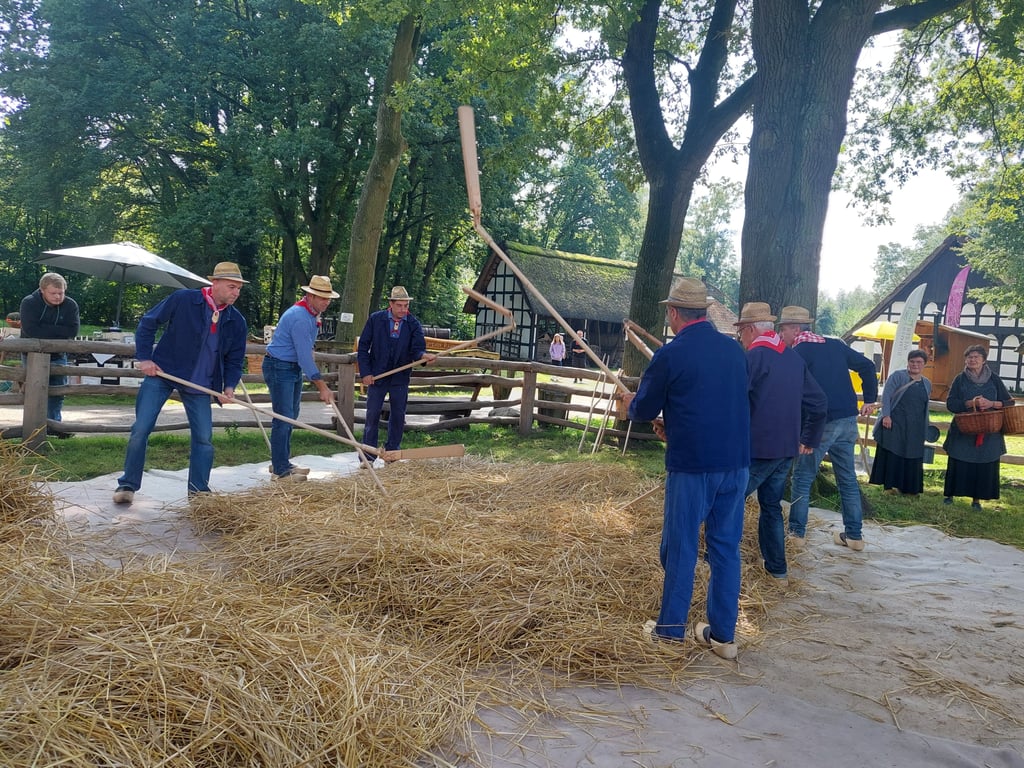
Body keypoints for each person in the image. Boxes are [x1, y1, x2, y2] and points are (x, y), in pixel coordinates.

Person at [620, 278, 750, 660]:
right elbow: (716, 403)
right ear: (705, 311)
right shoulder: (735, 351)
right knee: (726, 549)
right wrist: (672, 424)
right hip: (736, 463)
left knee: (681, 547)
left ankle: (670, 631)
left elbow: (642, 409)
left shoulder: (672, 354)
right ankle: (724, 637)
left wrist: (628, 402)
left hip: (694, 466)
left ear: (674, 313)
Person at [112, 262, 248, 504]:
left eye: (238, 288)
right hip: (164, 373)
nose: (236, 292)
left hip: (201, 383)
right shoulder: (184, 299)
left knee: (204, 438)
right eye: (231, 287)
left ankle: (199, 492)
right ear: (214, 283)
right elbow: (148, 323)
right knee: (140, 429)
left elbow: (235, 358)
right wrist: (144, 358)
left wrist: (229, 387)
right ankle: (127, 485)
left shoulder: (236, 321)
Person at [736, 303, 826, 587]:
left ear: (751, 329)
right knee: (772, 506)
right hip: (787, 448)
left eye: (741, 332)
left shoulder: (753, 359)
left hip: (757, 448)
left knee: (729, 502)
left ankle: (719, 562)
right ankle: (778, 572)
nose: (740, 338)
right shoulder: (793, 359)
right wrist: (808, 439)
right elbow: (819, 402)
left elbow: (734, 402)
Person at [777, 306, 877, 552]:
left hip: (819, 422)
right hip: (847, 420)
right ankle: (854, 536)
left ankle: (796, 534)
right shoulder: (835, 345)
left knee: (802, 477)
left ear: (795, 329)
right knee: (847, 479)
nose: (781, 334)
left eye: (783, 329)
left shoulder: (797, 352)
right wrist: (869, 399)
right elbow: (866, 365)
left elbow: (792, 392)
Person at [263, 275, 339, 482]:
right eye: (322, 298)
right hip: (279, 366)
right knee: (284, 417)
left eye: (328, 298)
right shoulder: (299, 317)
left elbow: (305, 351)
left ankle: (282, 462)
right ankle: (280, 470)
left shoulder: (311, 314)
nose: (326, 302)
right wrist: (322, 386)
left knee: (291, 415)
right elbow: (305, 357)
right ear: (310, 295)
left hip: (290, 366)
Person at [357, 286, 437, 463]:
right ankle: (368, 456)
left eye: (405, 306)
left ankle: (392, 453)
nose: (403, 309)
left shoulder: (412, 323)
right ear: (391, 304)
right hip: (377, 376)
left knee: (398, 415)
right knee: (372, 415)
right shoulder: (376, 320)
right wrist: (366, 373)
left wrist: (424, 356)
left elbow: (417, 350)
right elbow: (363, 347)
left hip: (400, 377)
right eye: (399, 305)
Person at [942, 344, 1013, 510]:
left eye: (976, 357)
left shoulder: (994, 379)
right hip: (964, 429)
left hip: (988, 431)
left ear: (983, 360)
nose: (972, 360)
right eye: (969, 357)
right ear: (965, 360)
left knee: (982, 463)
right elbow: (951, 403)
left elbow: (1009, 402)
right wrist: (969, 403)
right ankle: (950, 495)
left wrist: (992, 403)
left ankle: (976, 499)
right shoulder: (960, 379)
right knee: (958, 462)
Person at [20, 273, 80, 426]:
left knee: (57, 392)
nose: (58, 296)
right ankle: (33, 426)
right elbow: (31, 330)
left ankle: (53, 425)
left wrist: (45, 331)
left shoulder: (70, 305)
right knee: (34, 392)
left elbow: (72, 331)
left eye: (61, 293)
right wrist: (59, 331)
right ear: (42, 290)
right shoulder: (29, 303)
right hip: (32, 355)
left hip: (58, 354)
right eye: (53, 293)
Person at [869, 349, 932, 495]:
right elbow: (886, 396)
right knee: (893, 452)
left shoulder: (927, 383)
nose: (915, 365)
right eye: (912, 361)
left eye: (919, 362)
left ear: (924, 365)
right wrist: (886, 416)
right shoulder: (898, 377)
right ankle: (889, 487)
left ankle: (909, 488)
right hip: (895, 422)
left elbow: (925, 405)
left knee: (912, 454)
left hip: (915, 426)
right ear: (908, 362)